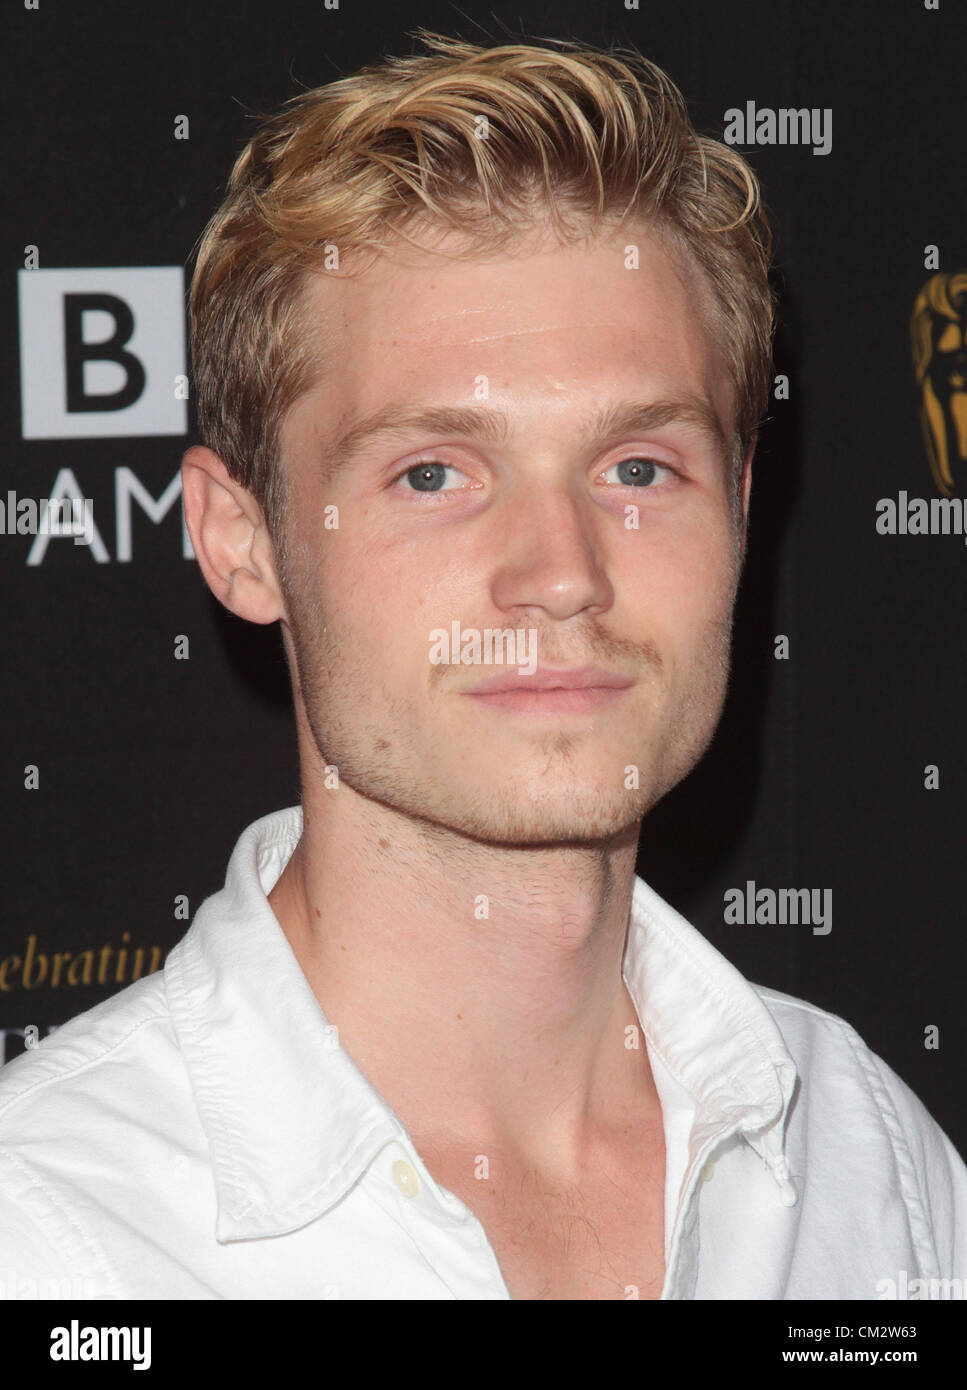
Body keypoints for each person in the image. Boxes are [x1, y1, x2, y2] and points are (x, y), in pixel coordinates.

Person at [1, 28, 964, 1302]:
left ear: (737, 504)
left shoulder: (867, 1159)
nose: (560, 570)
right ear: (242, 542)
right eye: (434, 472)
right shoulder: (52, 1230)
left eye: (637, 468)